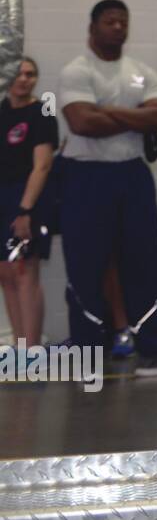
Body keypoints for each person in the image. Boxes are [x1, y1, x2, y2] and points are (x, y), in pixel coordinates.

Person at [59, 0, 157, 375]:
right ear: (93, 27)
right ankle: (88, 353)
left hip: (132, 175)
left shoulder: (141, 72)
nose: (118, 27)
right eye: (109, 21)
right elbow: (82, 123)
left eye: (123, 21)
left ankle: (151, 349)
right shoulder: (77, 71)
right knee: (86, 266)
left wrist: (107, 111)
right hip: (86, 178)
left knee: (145, 263)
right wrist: (135, 117)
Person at [0, 58, 56, 354]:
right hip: (2, 198)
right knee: (6, 274)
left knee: (25, 272)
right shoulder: (1, 110)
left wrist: (24, 210)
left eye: (31, 74)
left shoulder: (42, 111)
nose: (24, 79)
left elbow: (43, 165)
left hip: (27, 199)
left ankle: (32, 351)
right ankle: (19, 346)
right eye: (18, 73)